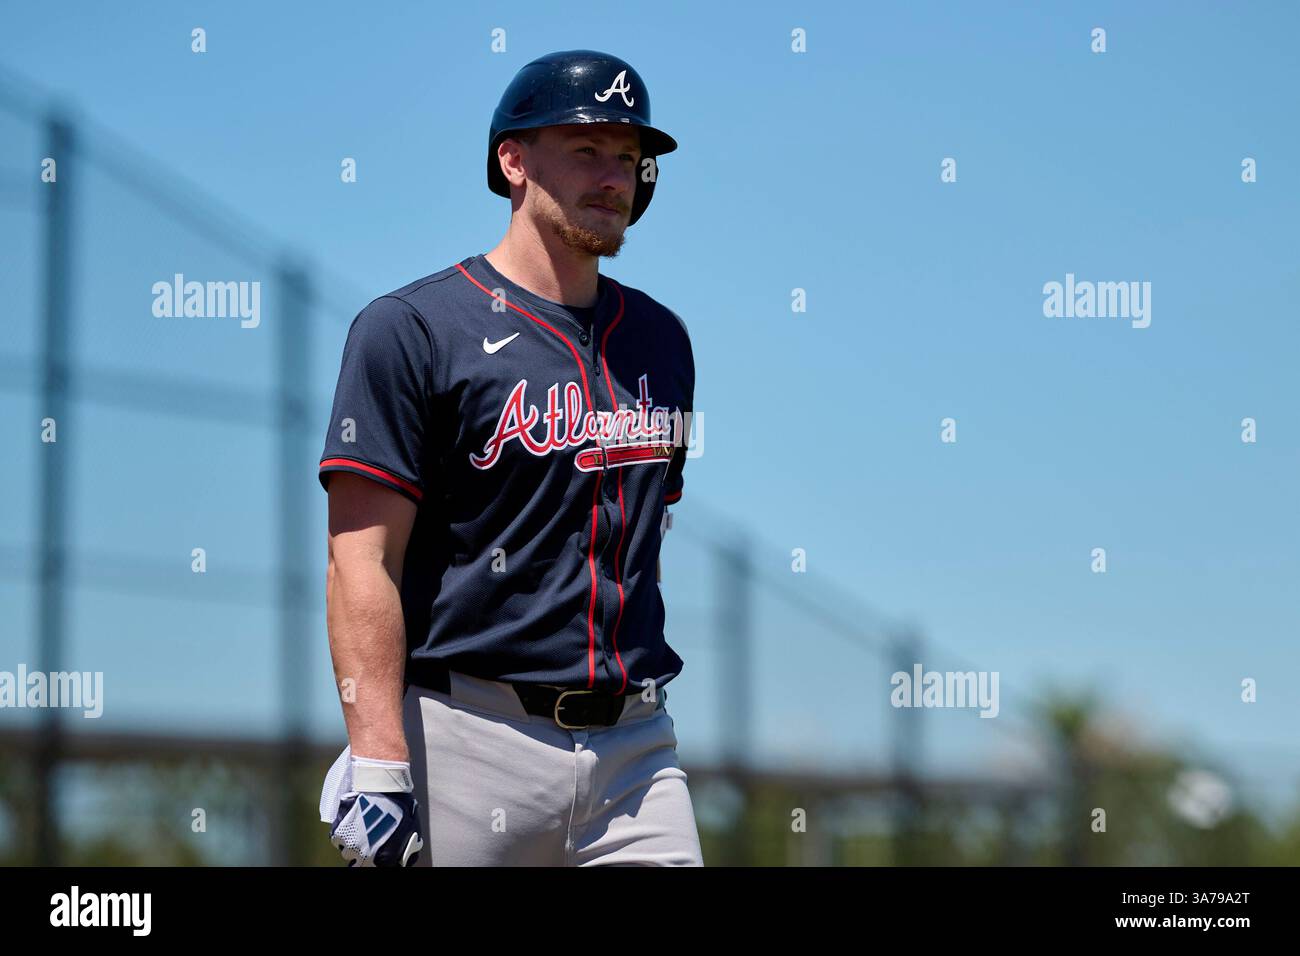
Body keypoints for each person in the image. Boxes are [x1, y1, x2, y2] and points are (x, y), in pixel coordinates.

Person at [316, 50, 701, 866]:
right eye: (587, 149)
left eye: (630, 157)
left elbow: (643, 544)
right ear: (513, 160)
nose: (614, 176)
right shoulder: (411, 329)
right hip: (464, 742)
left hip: (638, 754)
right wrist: (380, 759)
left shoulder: (663, 342)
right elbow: (361, 561)